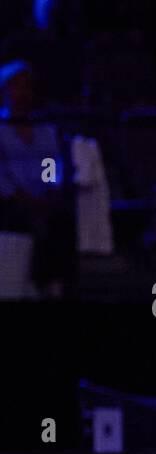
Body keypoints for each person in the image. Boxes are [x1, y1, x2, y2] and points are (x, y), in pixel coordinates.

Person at [0, 60, 73, 297]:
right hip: (10, 201)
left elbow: (51, 163)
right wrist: (24, 199)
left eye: (27, 86)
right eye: (16, 86)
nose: (23, 92)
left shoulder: (45, 129)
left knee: (61, 220)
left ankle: (53, 284)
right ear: (4, 91)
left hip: (42, 199)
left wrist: (48, 192)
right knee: (16, 218)